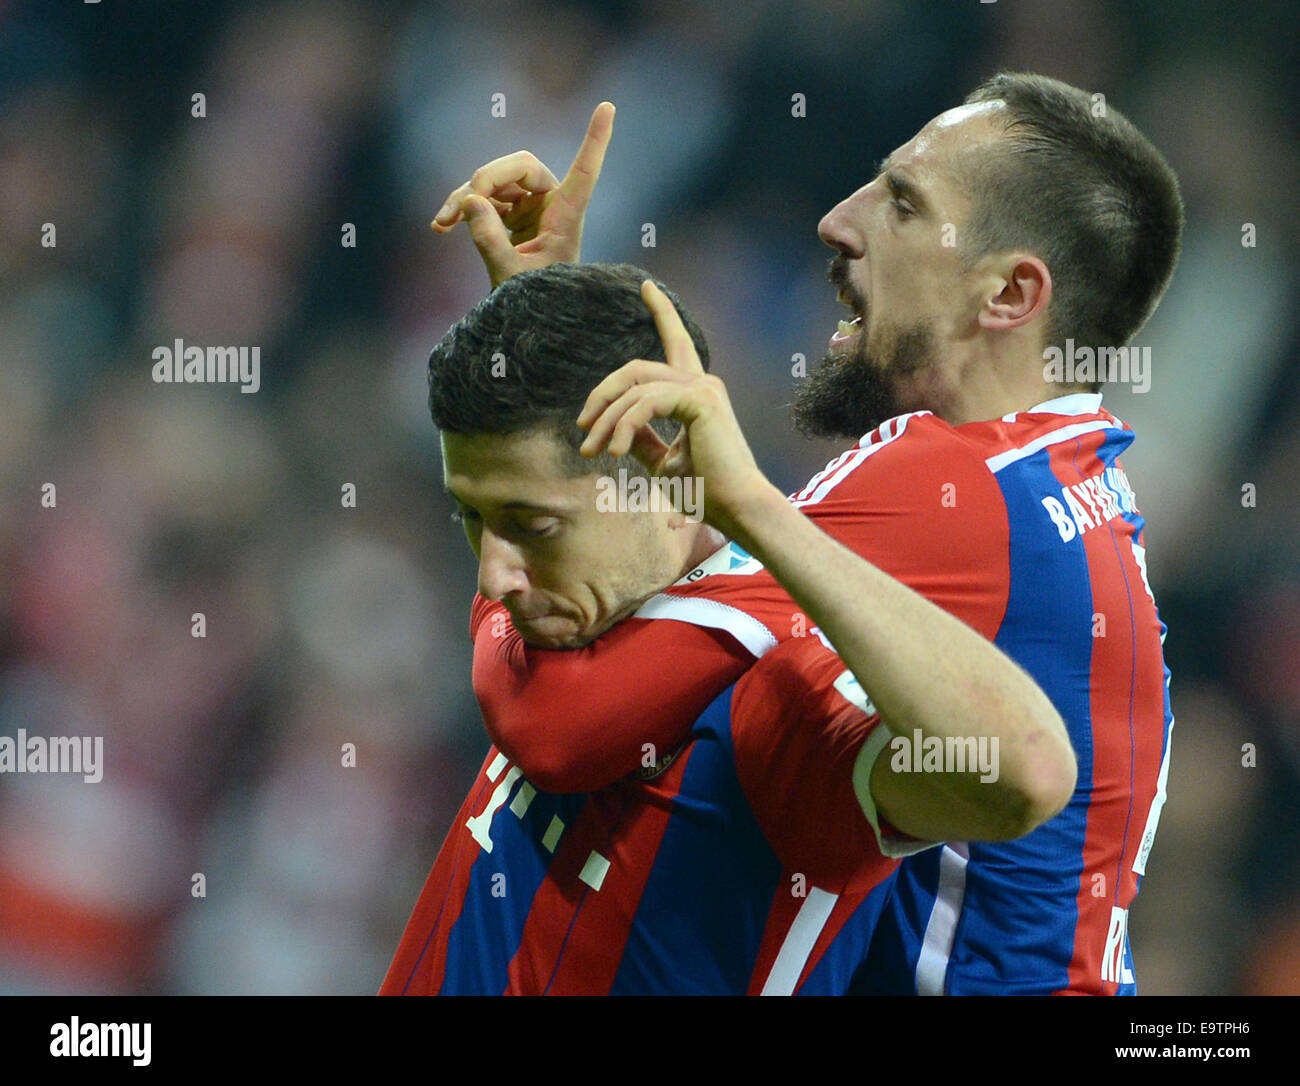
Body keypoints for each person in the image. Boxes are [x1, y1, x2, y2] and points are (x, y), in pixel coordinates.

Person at [432, 72, 1183, 994]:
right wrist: (548, 352)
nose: (839, 219)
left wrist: (517, 528)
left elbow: (563, 722)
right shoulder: (1069, 486)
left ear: (1010, 295)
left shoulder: (946, 480)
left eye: (902, 203)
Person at [380, 262, 1074, 995]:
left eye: (534, 526)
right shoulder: (559, 622)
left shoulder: (784, 692)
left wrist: (755, 507)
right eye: (474, 518)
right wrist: (540, 313)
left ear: (669, 478)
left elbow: (1028, 776)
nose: (493, 580)